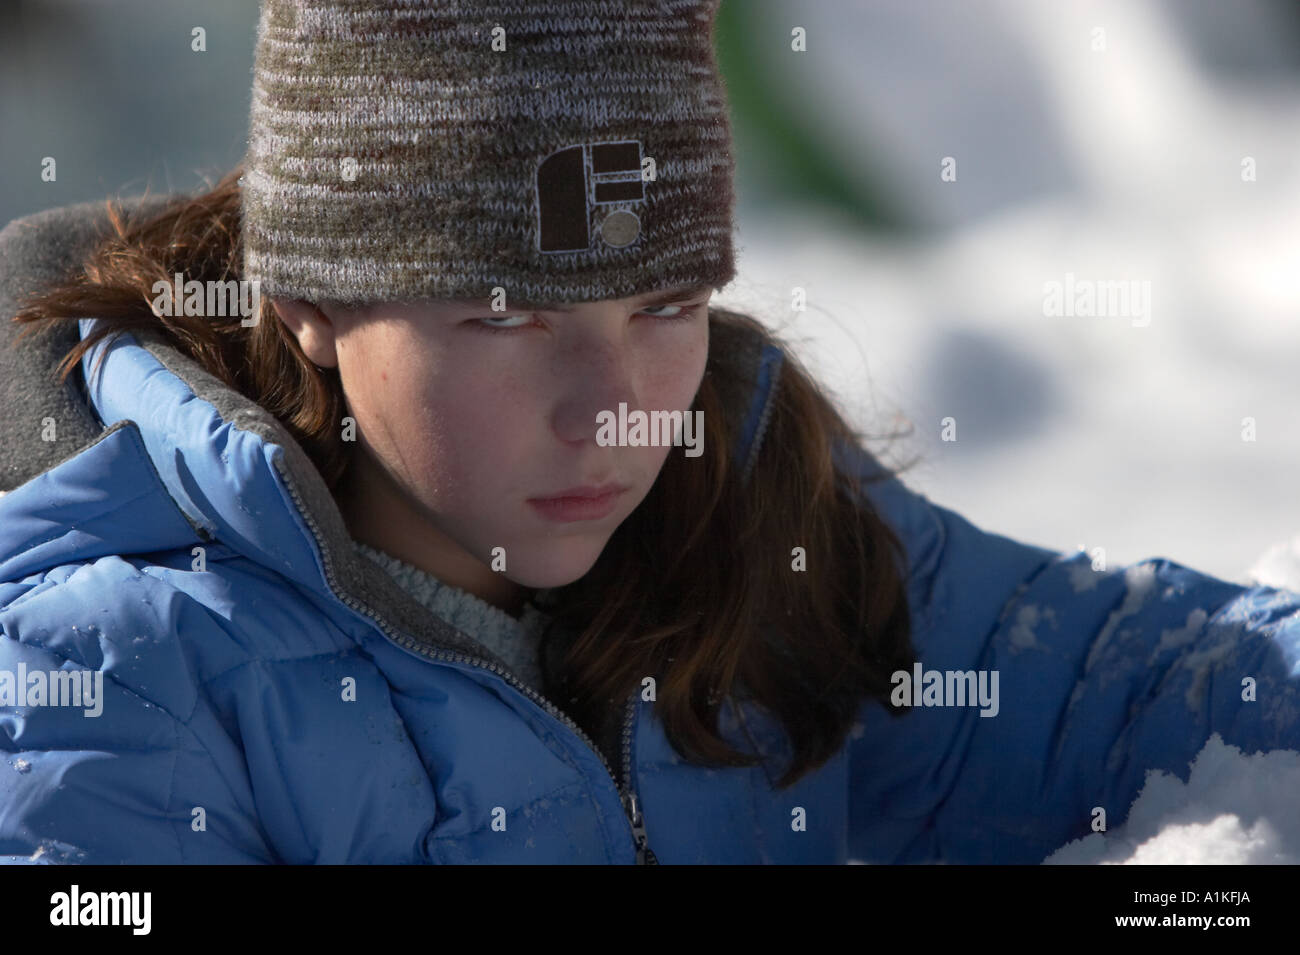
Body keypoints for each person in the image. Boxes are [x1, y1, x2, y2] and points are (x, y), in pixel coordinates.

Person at [0, 0, 1297, 865]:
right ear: (312, 306)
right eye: (510, 319)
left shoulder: (745, 519)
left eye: (665, 302)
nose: (613, 405)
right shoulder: (114, 689)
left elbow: (1105, 686)